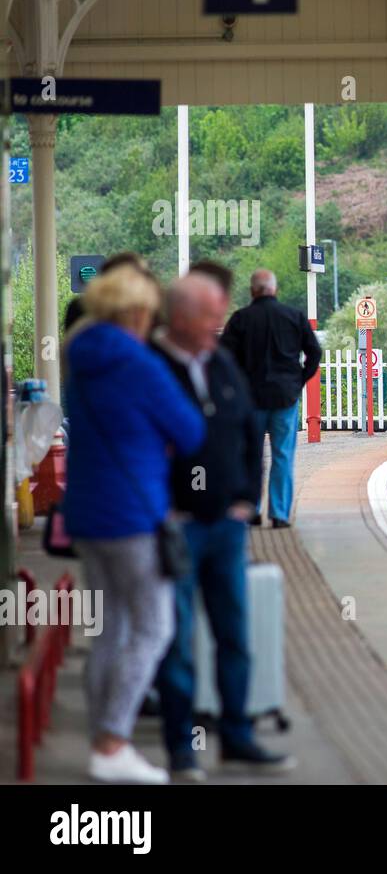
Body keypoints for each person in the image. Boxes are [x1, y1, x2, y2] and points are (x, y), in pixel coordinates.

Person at [63, 265, 206, 784]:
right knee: (154, 627)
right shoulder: (140, 364)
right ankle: (111, 743)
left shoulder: (79, 359)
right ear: (138, 312)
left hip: (86, 514)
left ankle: (102, 738)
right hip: (133, 514)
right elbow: (190, 431)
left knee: (111, 631)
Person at [153, 272, 295, 780]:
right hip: (175, 527)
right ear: (183, 316)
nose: (218, 323)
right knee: (177, 638)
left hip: (226, 527)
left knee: (233, 634)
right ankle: (181, 749)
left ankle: (236, 735)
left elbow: (243, 435)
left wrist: (243, 502)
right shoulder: (155, 369)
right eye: (210, 315)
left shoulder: (222, 365)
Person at [219, 269, 321, 527]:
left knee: (250, 455)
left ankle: (250, 509)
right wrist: (298, 380)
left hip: (250, 400)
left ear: (253, 291)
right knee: (283, 456)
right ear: (274, 290)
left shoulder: (240, 319)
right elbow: (314, 353)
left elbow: (223, 359)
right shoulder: (294, 317)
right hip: (285, 398)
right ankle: (279, 515)